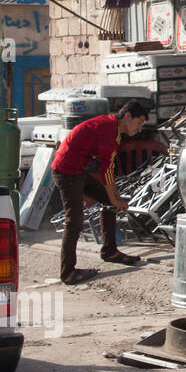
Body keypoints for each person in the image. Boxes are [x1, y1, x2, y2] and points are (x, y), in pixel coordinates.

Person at [51, 99, 149, 285]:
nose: (139, 129)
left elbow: (108, 169)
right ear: (128, 116)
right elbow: (106, 171)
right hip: (65, 172)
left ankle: (110, 251)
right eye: (139, 122)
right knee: (74, 221)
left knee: (109, 203)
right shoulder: (109, 130)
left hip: (78, 171)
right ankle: (68, 272)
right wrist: (115, 198)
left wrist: (115, 198)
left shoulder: (115, 130)